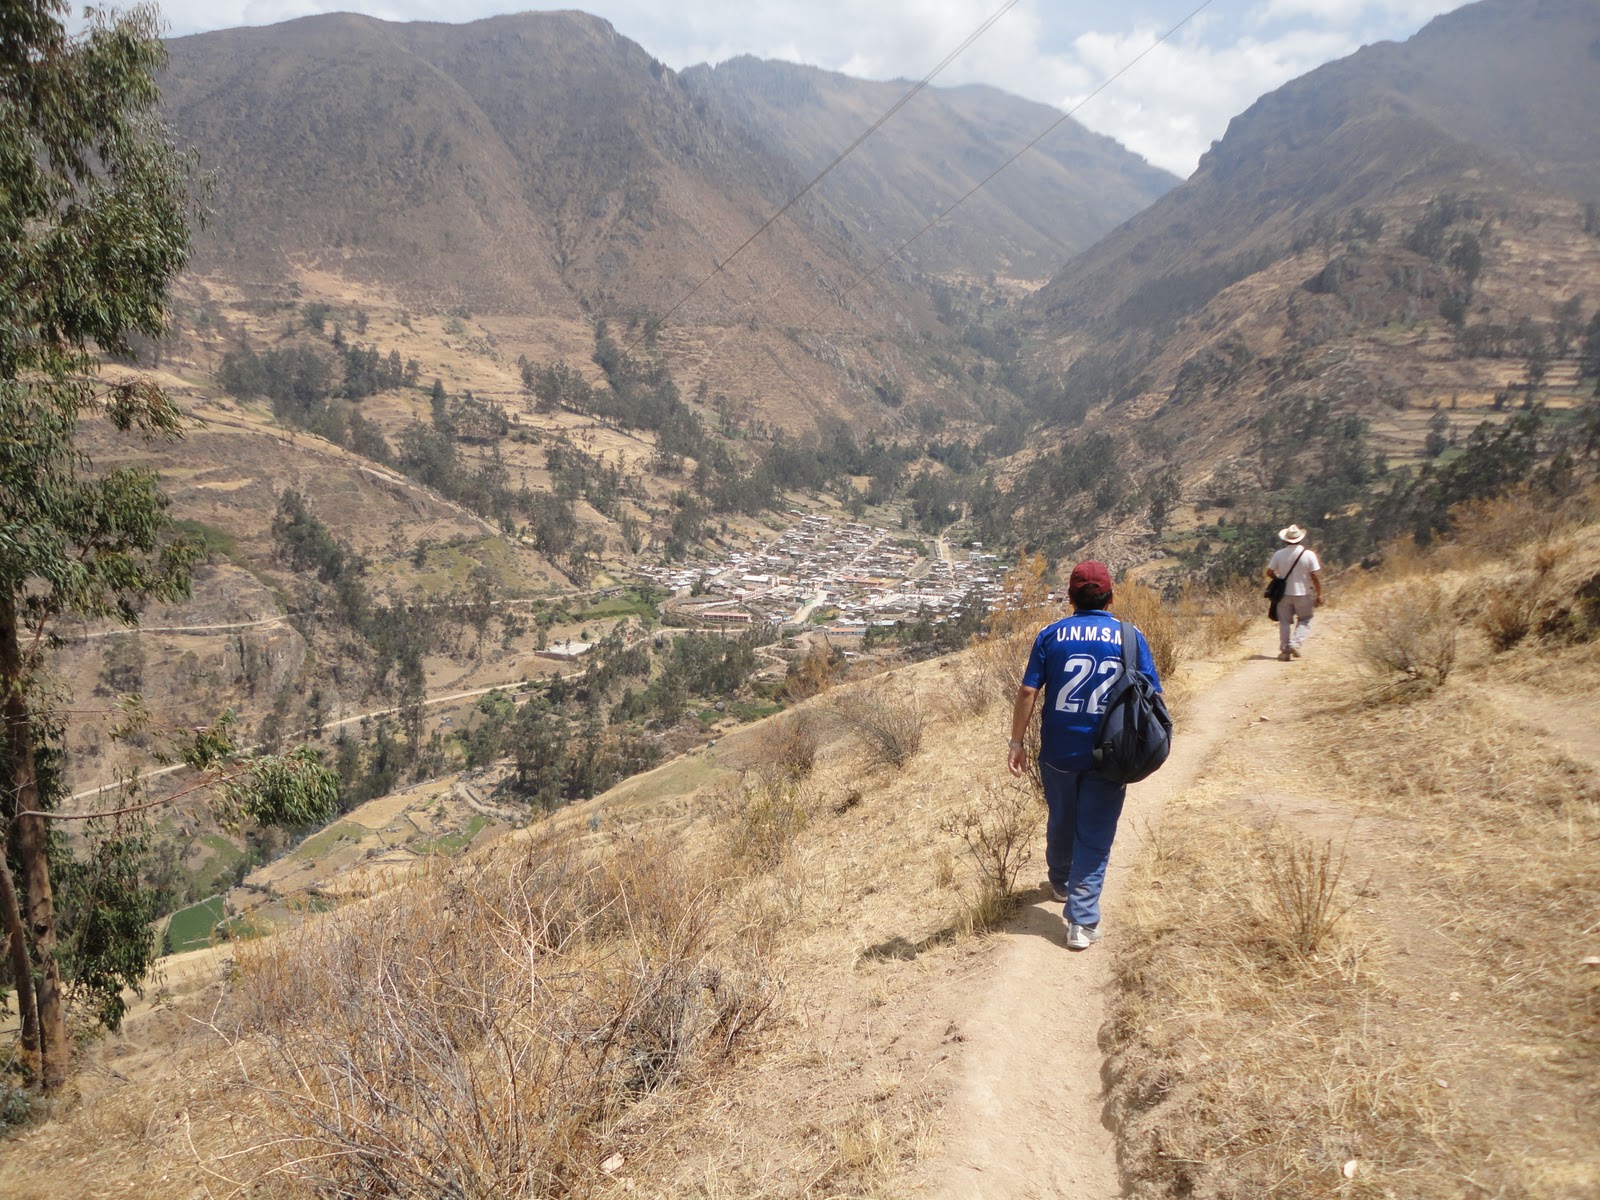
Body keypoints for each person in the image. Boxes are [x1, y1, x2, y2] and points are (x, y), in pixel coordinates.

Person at [1006, 560, 1162, 950]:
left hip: (1059, 750)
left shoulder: (1051, 634)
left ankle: (1059, 880)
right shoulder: (1130, 636)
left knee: (1062, 816)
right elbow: (1152, 693)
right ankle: (1082, 920)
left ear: (1070, 597)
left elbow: (1028, 692)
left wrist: (1016, 742)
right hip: (1111, 752)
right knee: (1095, 834)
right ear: (1110, 596)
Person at [1266, 524, 1322, 661]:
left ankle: (1285, 651)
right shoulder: (1309, 555)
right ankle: (1295, 643)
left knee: (1284, 622)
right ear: (1301, 539)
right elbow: (1314, 575)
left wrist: (1279, 580)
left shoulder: (1279, 554)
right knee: (1305, 619)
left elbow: (1269, 572)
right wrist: (1319, 594)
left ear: (1285, 540)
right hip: (1303, 593)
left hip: (1283, 594)